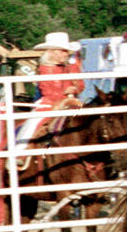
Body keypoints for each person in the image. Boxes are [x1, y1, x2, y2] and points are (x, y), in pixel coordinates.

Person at [14, 32, 85, 167]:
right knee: (34, 122)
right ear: (51, 52)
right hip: (50, 104)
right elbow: (47, 91)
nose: (66, 54)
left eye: (66, 51)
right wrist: (64, 93)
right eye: (62, 51)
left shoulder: (72, 67)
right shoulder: (45, 69)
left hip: (72, 103)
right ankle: (21, 152)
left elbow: (80, 85)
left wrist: (74, 90)